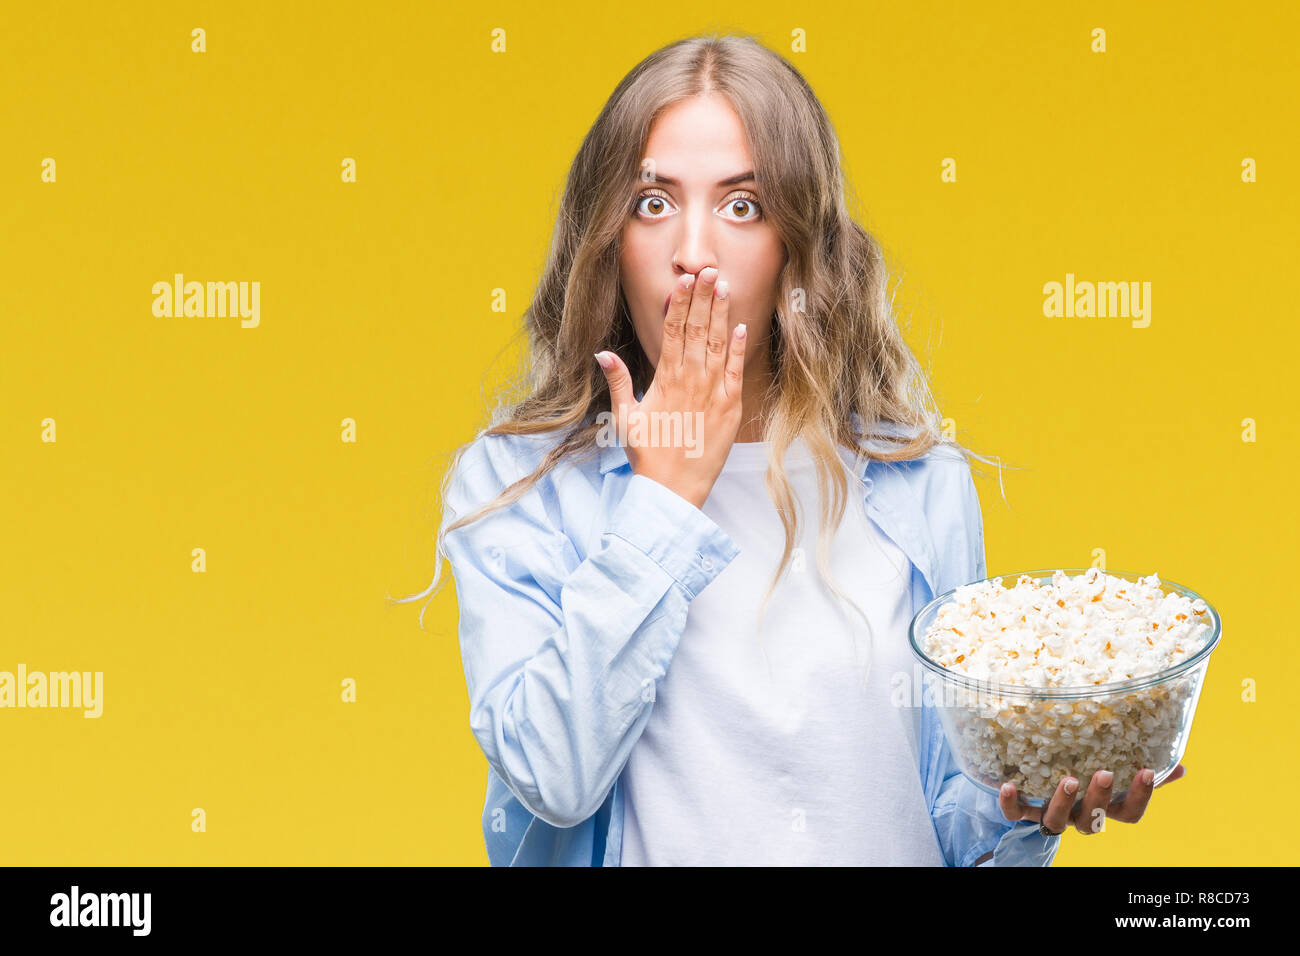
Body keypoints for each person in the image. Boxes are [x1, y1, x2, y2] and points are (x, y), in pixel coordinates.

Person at [391, 33, 1183, 866]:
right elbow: (551, 777)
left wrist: (1030, 800)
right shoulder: (524, 485)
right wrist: (663, 500)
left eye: (743, 206)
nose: (693, 253)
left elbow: (953, 825)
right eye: (653, 203)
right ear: (607, 237)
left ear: (798, 246)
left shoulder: (919, 482)